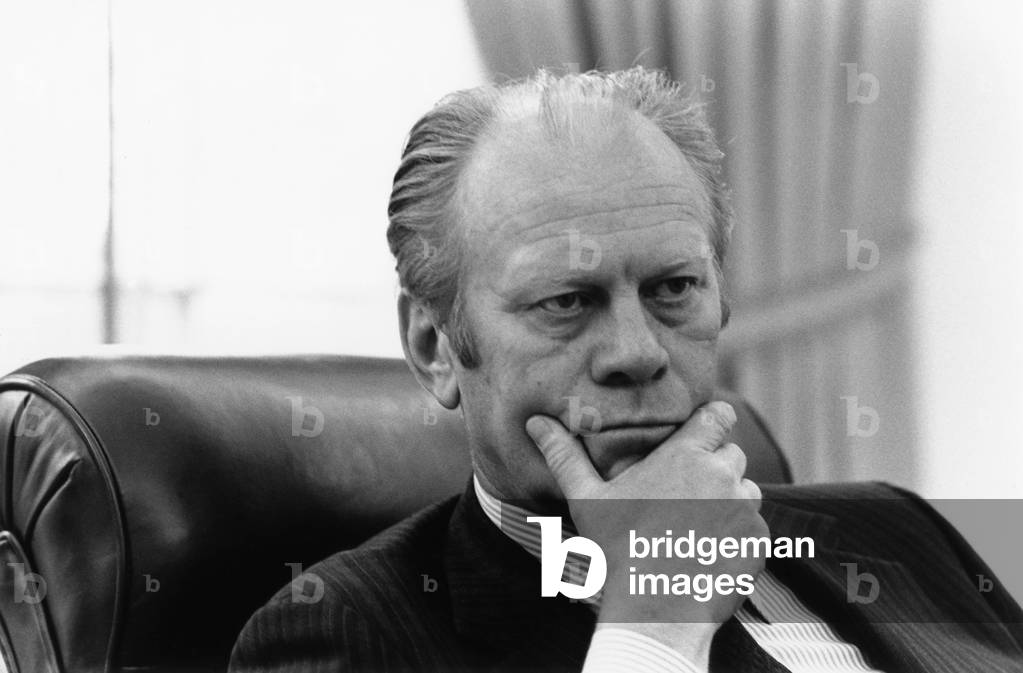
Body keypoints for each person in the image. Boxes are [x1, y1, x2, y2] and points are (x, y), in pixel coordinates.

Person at [229, 67, 1023, 673]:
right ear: (437, 345)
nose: (637, 351)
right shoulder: (339, 631)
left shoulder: (897, 528)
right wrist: (654, 614)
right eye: (567, 301)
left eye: (673, 288)